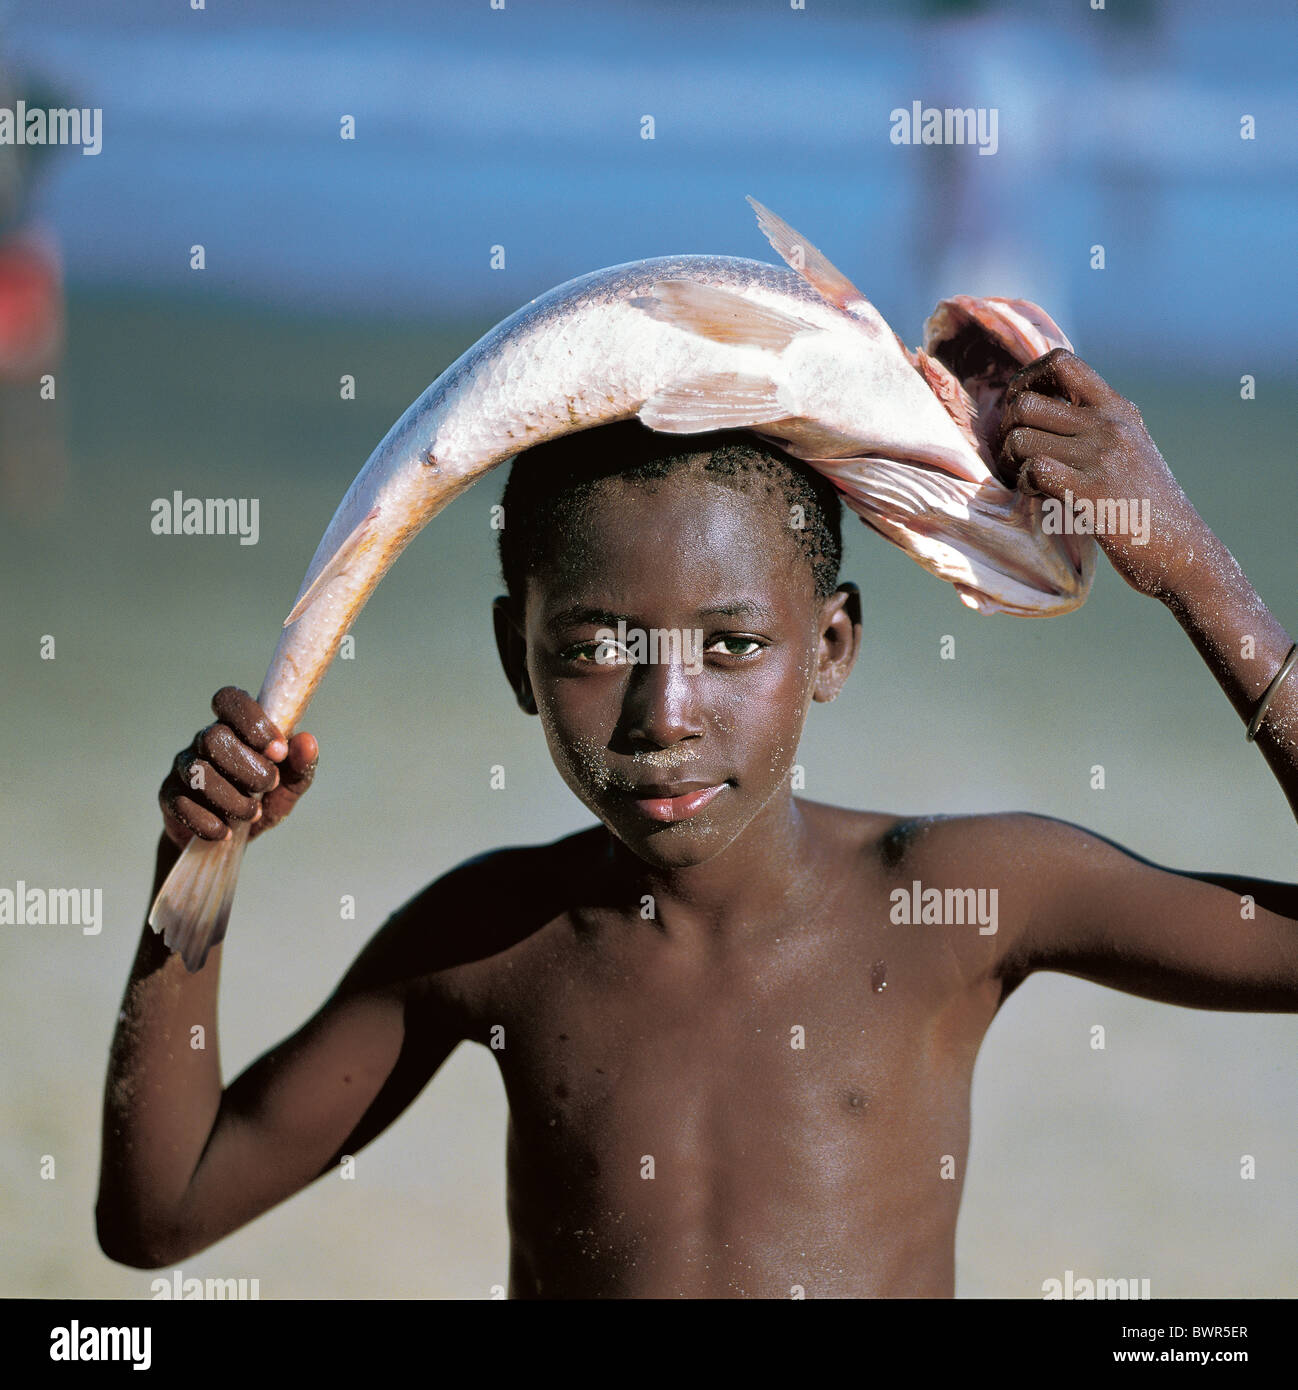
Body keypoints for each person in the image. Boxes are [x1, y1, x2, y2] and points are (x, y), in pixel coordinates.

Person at [97, 349, 1298, 1297]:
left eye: (731, 647)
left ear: (829, 646)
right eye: (594, 647)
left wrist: (1188, 566)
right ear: (516, 658)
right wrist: (194, 865)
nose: (663, 714)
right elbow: (162, 1215)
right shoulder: (491, 936)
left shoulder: (962, 897)